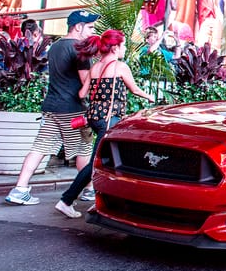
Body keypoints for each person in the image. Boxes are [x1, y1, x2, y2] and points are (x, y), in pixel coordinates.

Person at [55, 29, 154, 218]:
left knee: (109, 159)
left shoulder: (95, 67)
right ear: (115, 47)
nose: (124, 49)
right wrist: (149, 96)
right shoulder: (120, 67)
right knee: (95, 163)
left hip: (94, 118)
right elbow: (134, 89)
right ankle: (66, 200)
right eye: (123, 45)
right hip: (110, 119)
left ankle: (112, 197)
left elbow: (82, 94)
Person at [5, 10, 99, 206]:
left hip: (52, 106)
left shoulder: (55, 46)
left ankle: (20, 189)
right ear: (78, 26)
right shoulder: (80, 50)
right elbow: (85, 81)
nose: (93, 30)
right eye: (90, 27)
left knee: (39, 147)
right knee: (84, 150)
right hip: (73, 109)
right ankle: (90, 190)